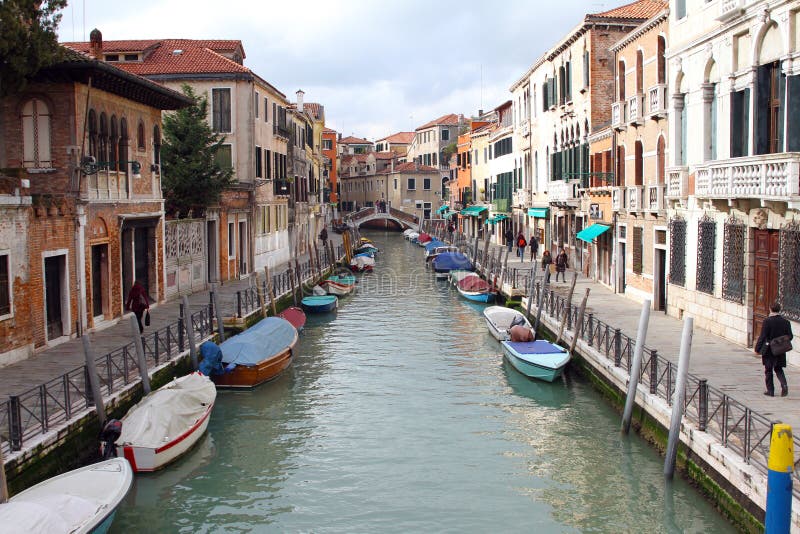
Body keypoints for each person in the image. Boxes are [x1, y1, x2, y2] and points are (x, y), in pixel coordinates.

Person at [755, 302, 793, 397]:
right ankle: (784, 385)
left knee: (768, 370)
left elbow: (763, 336)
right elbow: (790, 336)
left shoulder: (767, 321)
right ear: (779, 310)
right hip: (780, 349)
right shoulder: (786, 322)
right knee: (778, 368)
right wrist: (780, 341)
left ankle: (770, 391)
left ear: (770, 309)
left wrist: (757, 348)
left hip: (769, 349)